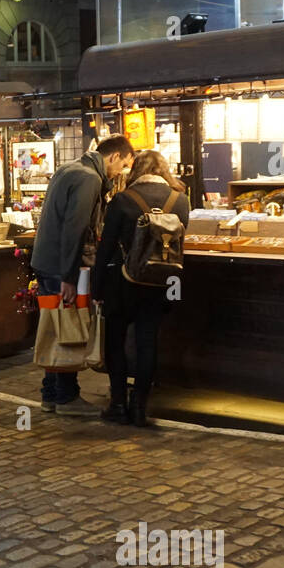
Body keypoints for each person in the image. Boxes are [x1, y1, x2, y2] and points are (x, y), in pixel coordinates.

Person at [29, 134, 135, 416]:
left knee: (55, 328)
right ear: (113, 156)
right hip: (62, 267)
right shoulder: (89, 178)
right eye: (123, 165)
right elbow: (74, 229)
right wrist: (69, 277)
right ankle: (66, 396)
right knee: (68, 329)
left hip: (47, 261)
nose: (121, 172)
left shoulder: (69, 168)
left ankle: (50, 394)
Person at [91, 149, 190, 427]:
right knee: (148, 342)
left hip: (122, 281)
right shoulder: (180, 201)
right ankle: (140, 407)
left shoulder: (122, 200)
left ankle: (118, 404)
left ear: (136, 170)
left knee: (115, 342)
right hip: (161, 282)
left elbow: (106, 248)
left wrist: (97, 288)